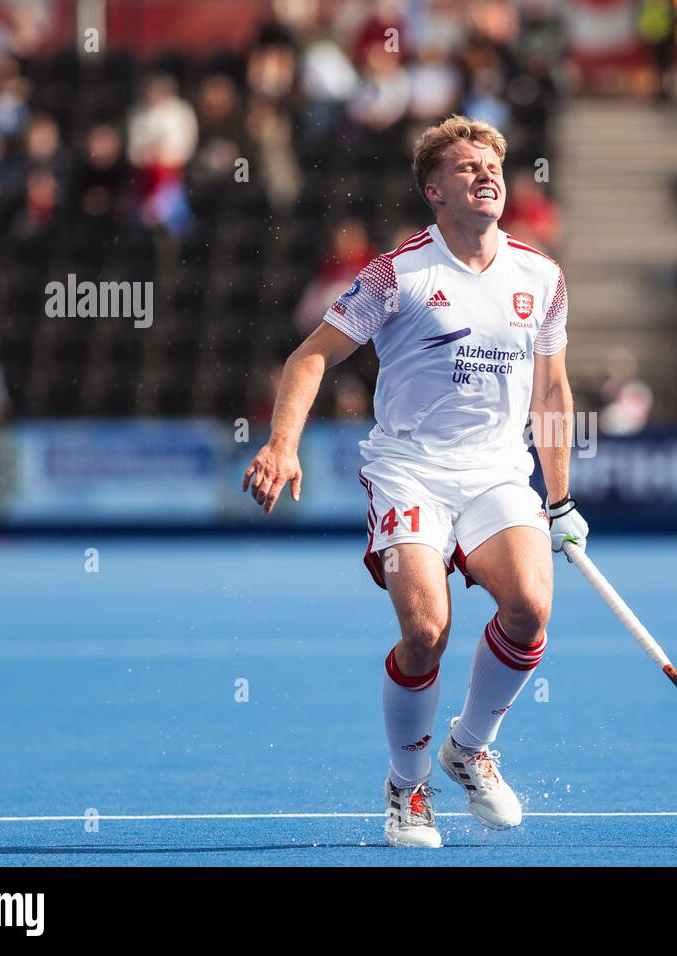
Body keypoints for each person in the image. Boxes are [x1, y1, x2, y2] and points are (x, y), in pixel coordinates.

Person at [242, 115, 587, 848]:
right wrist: (283, 443)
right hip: (410, 473)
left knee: (529, 608)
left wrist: (560, 500)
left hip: (497, 470)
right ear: (434, 190)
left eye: (493, 164)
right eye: (467, 169)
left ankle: (471, 747)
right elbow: (309, 357)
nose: (487, 175)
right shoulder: (396, 274)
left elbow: (552, 394)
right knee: (426, 631)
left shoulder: (542, 276)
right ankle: (407, 788)